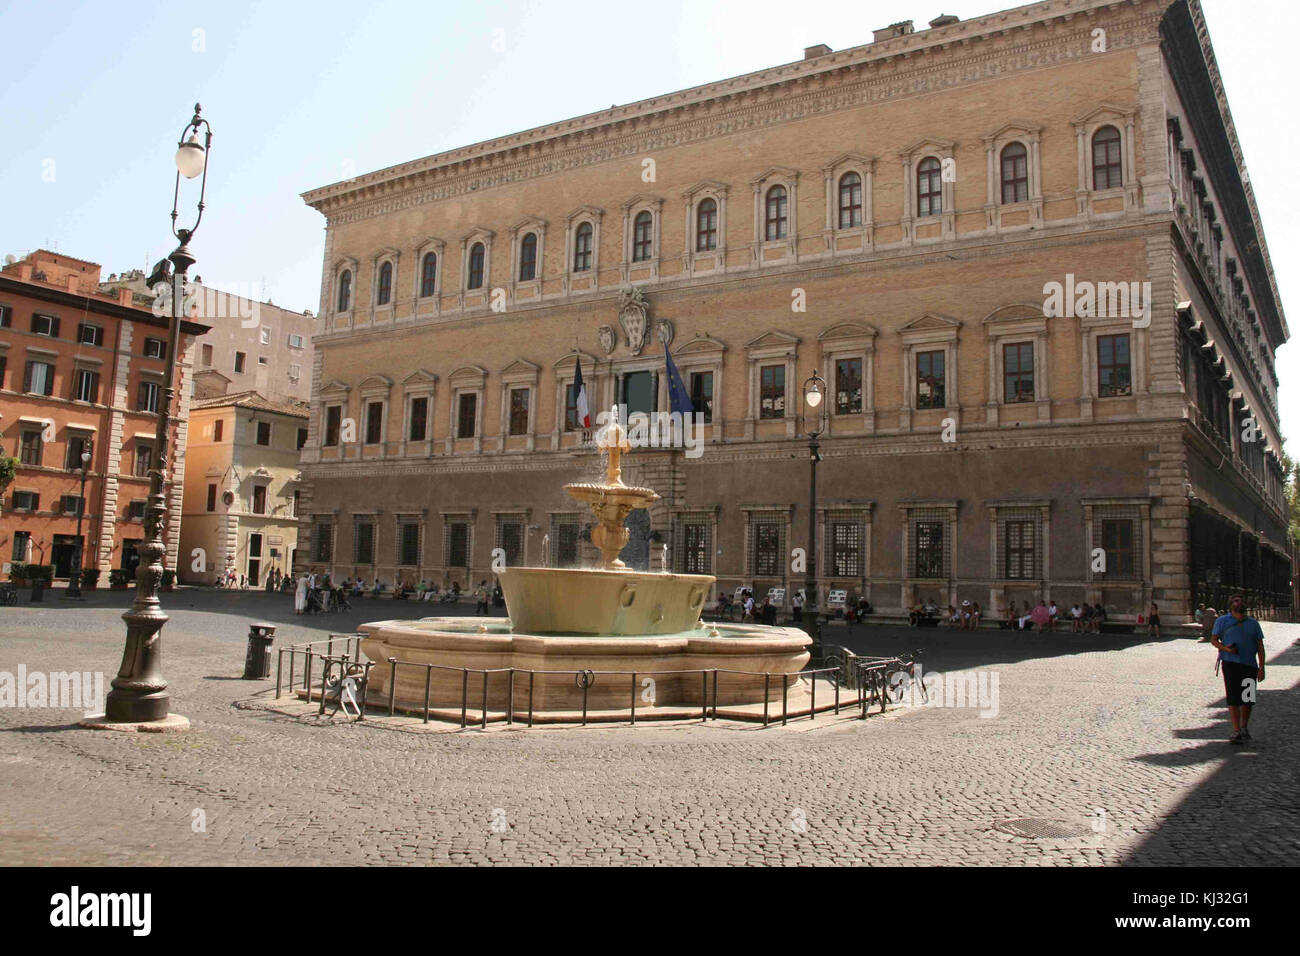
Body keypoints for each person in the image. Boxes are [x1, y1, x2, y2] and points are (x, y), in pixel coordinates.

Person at [1210, 594, 1266, 744]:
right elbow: (1214, 640)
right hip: (1230, 664)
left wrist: (1262, 667)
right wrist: (1226, 649)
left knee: (1248, 698)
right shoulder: (1222, 621)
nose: (1239, 602)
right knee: (1233, 697)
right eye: (1235, 600)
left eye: (1241, 600)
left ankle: (1244, 727)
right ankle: (1236, 731)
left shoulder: (1253, 624)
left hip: (1249, 665)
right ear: (1231, 605)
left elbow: (1260, 646)